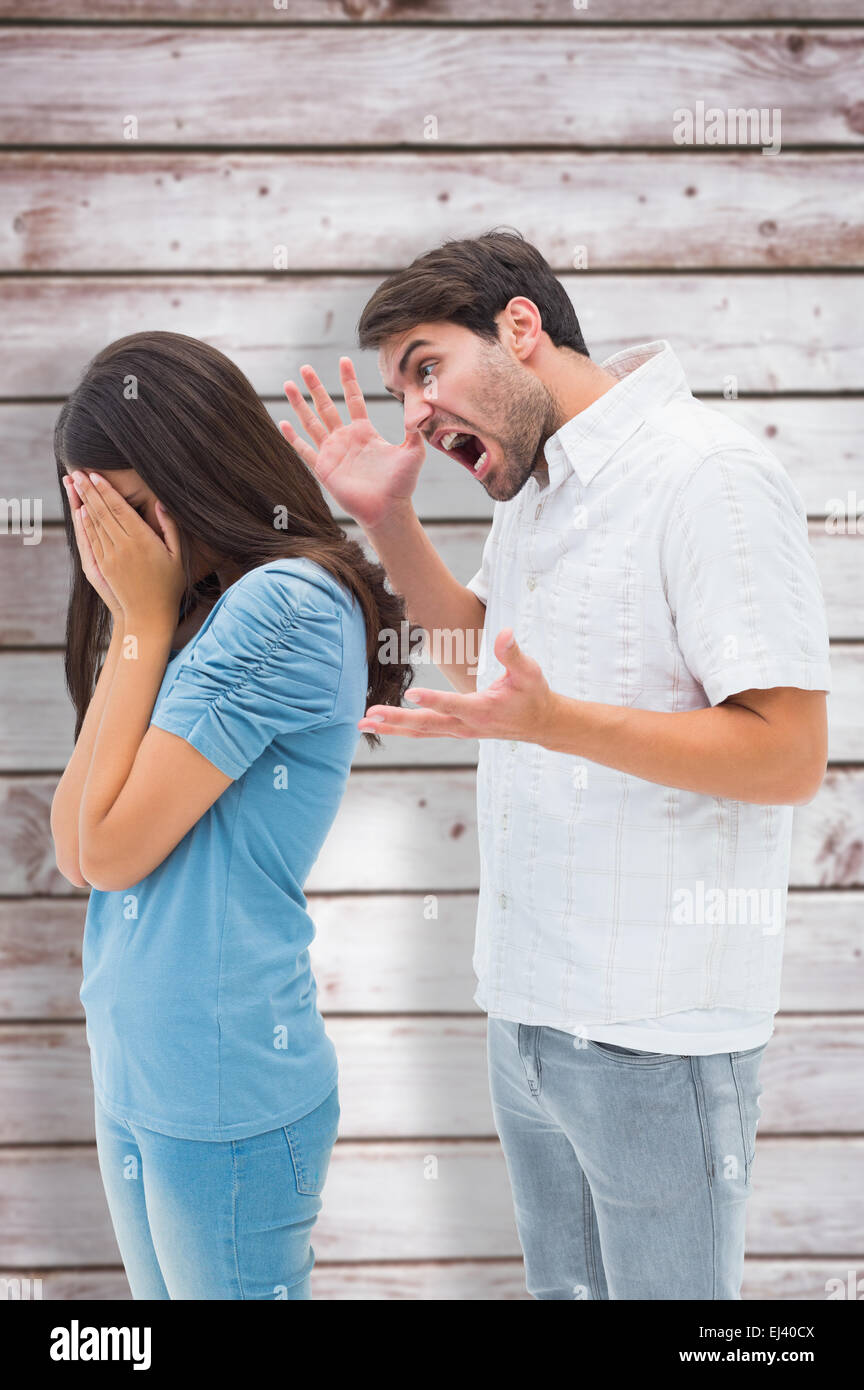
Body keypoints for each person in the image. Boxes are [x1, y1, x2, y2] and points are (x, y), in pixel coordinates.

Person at [279, 231, 832, 1300]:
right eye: (402, 391)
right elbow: (490, 659)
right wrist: (388, 520)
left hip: (655, 1041)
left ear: (520, 328)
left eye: (427, 367)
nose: (417, 414)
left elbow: (787, 752)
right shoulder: (540, 490)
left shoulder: (706, 474)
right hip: (529, 1016)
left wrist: (552, 723)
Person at [50, 330, 412, 1299]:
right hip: (137, 1076)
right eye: (94, 522)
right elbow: (75, 848)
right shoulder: (185, 607)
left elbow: (115, 846)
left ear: (196, 467)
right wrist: (140, 625)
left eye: (128, 511)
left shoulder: (288, 605)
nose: (112, 548)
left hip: (225, 1093)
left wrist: (137, 623)